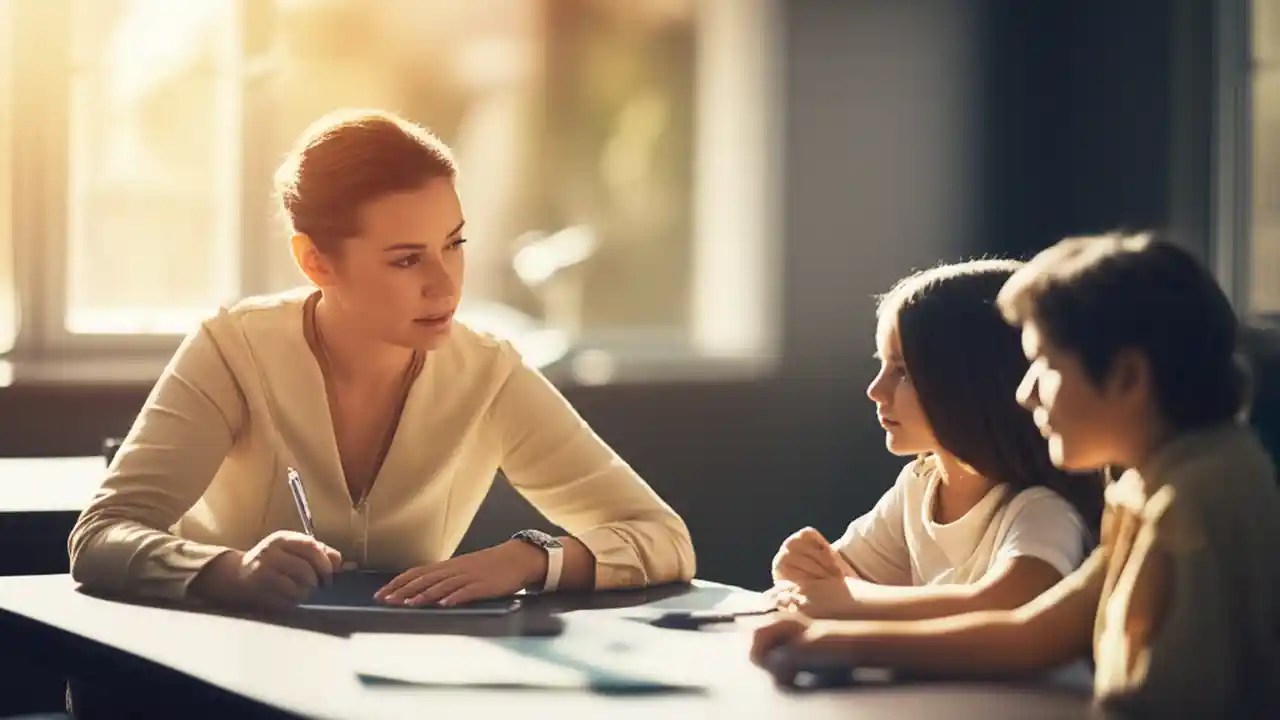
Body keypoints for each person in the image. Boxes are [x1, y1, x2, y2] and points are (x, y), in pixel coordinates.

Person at [67, 109, 695, 611]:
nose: (444, 286)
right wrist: (227, 571)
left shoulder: (488, 371)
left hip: (392, 691)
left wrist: (531, 556)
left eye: (454, 245)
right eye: (405, 259)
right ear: (316, 262)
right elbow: (100, 536)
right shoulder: (233, 349)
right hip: (211, 681)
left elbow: (663, 537)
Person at [752, 233, 1280, 718]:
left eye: (1044, 366)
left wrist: (846, 619)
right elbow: (1034, 633)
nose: (1025, 393)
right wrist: (833, 644)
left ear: (1127, 378)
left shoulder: (1198, 500)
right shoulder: (1154, 487)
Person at [770, 260, 1100, 621]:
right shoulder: (919, 486)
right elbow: (837, 578)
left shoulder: (1041, 511)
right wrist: (804, 565)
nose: (875, 390)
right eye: (882, 365)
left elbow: (1004, 609)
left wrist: (846, 599)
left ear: (971, 385)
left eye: (903, 372)